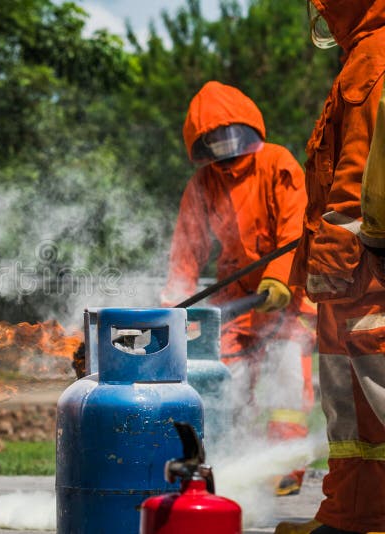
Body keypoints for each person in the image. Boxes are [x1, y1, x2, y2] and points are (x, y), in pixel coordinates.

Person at [161, 81, 316, 495]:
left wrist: (279, 277)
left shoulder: (279, 163)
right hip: (236, 298)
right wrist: (175, 309)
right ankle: (229, 461)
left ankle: (286, 468)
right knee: (226, 381)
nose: (226, 147)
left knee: (285, 382)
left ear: (251, 127)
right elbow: (186, 252)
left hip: (286, 293)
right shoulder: (202, 184)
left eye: (232, 134)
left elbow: (294, 229)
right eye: (214, 140)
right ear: (201, 144)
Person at [277, 2, 385, 533]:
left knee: (378, 390)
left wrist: (336, 247)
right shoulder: (357, 57)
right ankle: (352, 516)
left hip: (366, 266)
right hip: (350, 267)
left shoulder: (376, 57)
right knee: (352, 414)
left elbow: (360, 169)